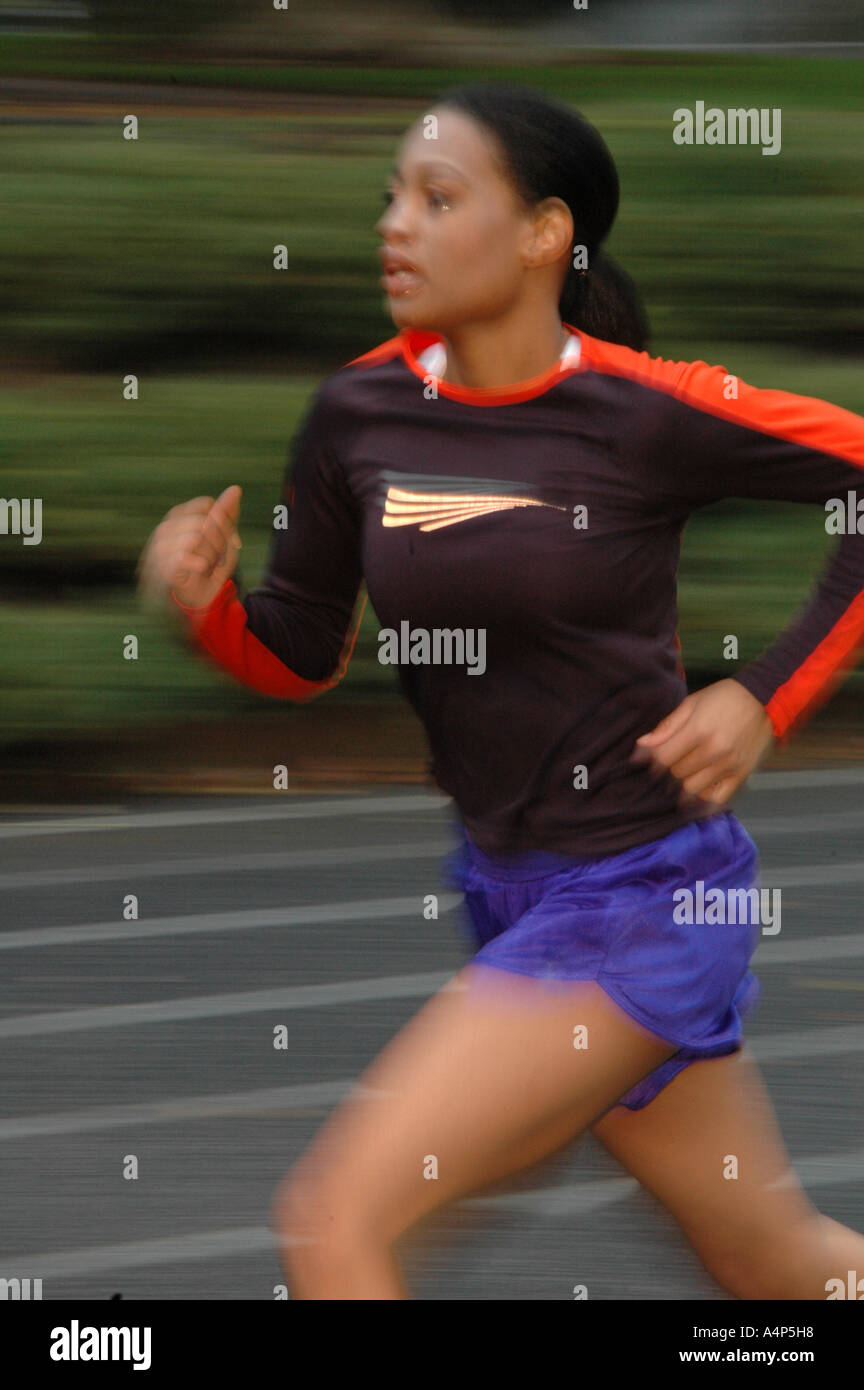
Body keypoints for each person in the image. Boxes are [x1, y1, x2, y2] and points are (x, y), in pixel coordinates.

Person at [137, 82, 864, 1300]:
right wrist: (203, 606)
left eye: (438, 197)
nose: (395, 225)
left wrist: (764, 697)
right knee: (774, 1262)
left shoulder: (642, 409)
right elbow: (304, 652)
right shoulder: (357, 411)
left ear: (542, 235)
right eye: (391, 199)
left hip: (643, 896)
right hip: (508, 888)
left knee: (335, 1223)